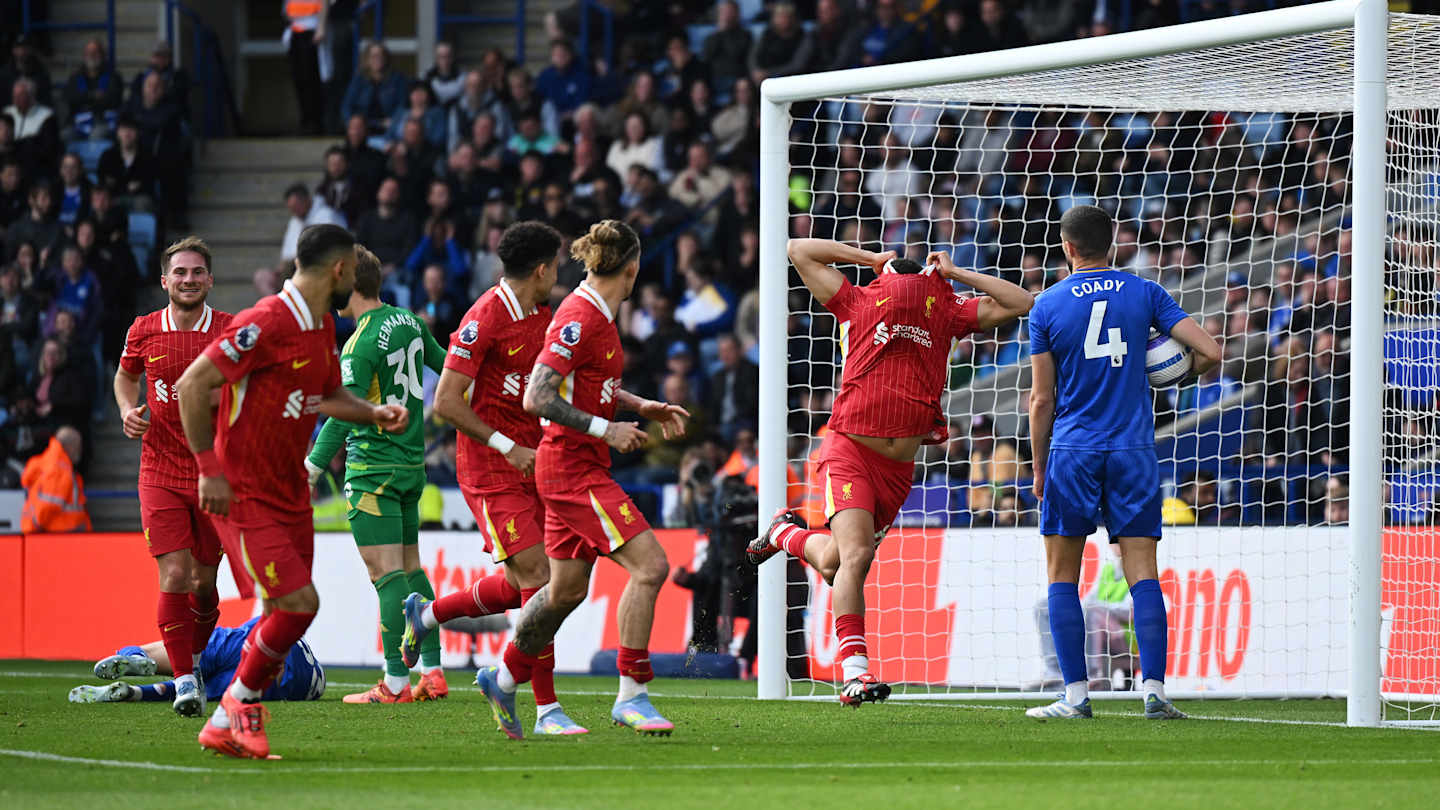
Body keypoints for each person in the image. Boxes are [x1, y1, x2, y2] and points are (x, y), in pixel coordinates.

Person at [747, 239, 1032, 705]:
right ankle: (855, 674)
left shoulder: (947, 312)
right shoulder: (858, 300)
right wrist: (869, 259)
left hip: (898, 468)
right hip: (849, 450)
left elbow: (1021, 303)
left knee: (836, 560)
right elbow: (798, 249)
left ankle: (784, 535)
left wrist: (958, 273)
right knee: (856, 557)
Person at [179, 224, 407, 760]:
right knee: (298, 604)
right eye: (352, 266)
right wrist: (208, 469)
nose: (355, 274)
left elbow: (327, 393)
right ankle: (240, 706)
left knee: (293, 608)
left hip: (289, 493)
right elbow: (193, 384)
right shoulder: (264, 322)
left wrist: (372, 412)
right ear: (339, 270)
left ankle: (223, 720)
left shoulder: (321, 324)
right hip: (243, 492)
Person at [474, 220, 689, 739]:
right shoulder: (579, 317)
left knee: (563, 593)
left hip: (574, 464)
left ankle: (502, 677)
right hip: (572, 466)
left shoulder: (596, 315)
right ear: (632, 268)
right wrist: (605, 429)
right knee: (651, 567)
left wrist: (640, 405)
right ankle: (632, 693)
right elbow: (538, 397)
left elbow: (587, 384)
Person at [1024, 204, 1221, 721]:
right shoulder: (1144, 291)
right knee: (1144, 575)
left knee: (1062, 576)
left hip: (1074, 449)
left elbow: (1041, 400)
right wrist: (1171, 378)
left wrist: (1039, 467)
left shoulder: (1046, 304)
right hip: (1133, 448)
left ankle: (1075, 698)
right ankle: (1154, 691)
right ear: (1113, 242)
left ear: (1067, 247)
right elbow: (1211, 353)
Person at [405, 221, 586, 736]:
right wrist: (508, 446)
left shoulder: (545, 316)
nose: (557, 275)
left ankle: (427, 616)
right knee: (541, 581)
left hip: (536, 461)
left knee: (516, 588)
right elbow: (444, 403)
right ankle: (544, 707)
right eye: (556, 266)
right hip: (491, 468)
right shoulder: (484, 318)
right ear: (542, 268)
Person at [304, 245, 448, 703]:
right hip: (410, 464)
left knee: (387, 577)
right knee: (411, 569)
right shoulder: (409, 321)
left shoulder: (360, 341)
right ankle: (434, 670)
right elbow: (448, 366)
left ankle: (395, 684)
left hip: (372, 471)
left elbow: (344, 414)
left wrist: (311, 465)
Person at [112, 236, 233, 718]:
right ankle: (184, 680)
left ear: (209, 279)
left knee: (204, 583)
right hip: (159, 468)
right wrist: (126, 409)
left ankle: (195, 660)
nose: (188, 280)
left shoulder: (229, 330)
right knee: (176, 575)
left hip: (211, 473)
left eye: (197, 272)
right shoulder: (143, 330)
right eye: (179, 272)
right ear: (165, 281)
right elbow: (125, 377)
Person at [70, 616, 326, 705]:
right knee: (194, 689)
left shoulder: (277, 625)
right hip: (279, 682)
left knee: (186, 661)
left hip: (247, 642)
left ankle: (134, 656)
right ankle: (137, 693)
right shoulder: (313, 679)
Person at [20, 425, 90, 533]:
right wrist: (35, 532)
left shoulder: (49, 462)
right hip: (58, 537)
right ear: (69, 446)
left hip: (54, 535)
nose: (80, 450)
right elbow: (47, 506)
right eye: (78, 446)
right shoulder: (59, 469)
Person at [284, 0, 328, 135]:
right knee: (299, 79)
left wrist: (321, 27)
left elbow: (323, 4)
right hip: (295, 31)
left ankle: (315, 123)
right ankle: (305, 120)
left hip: (311, 31)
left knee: (311, 78)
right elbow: (287, 10)